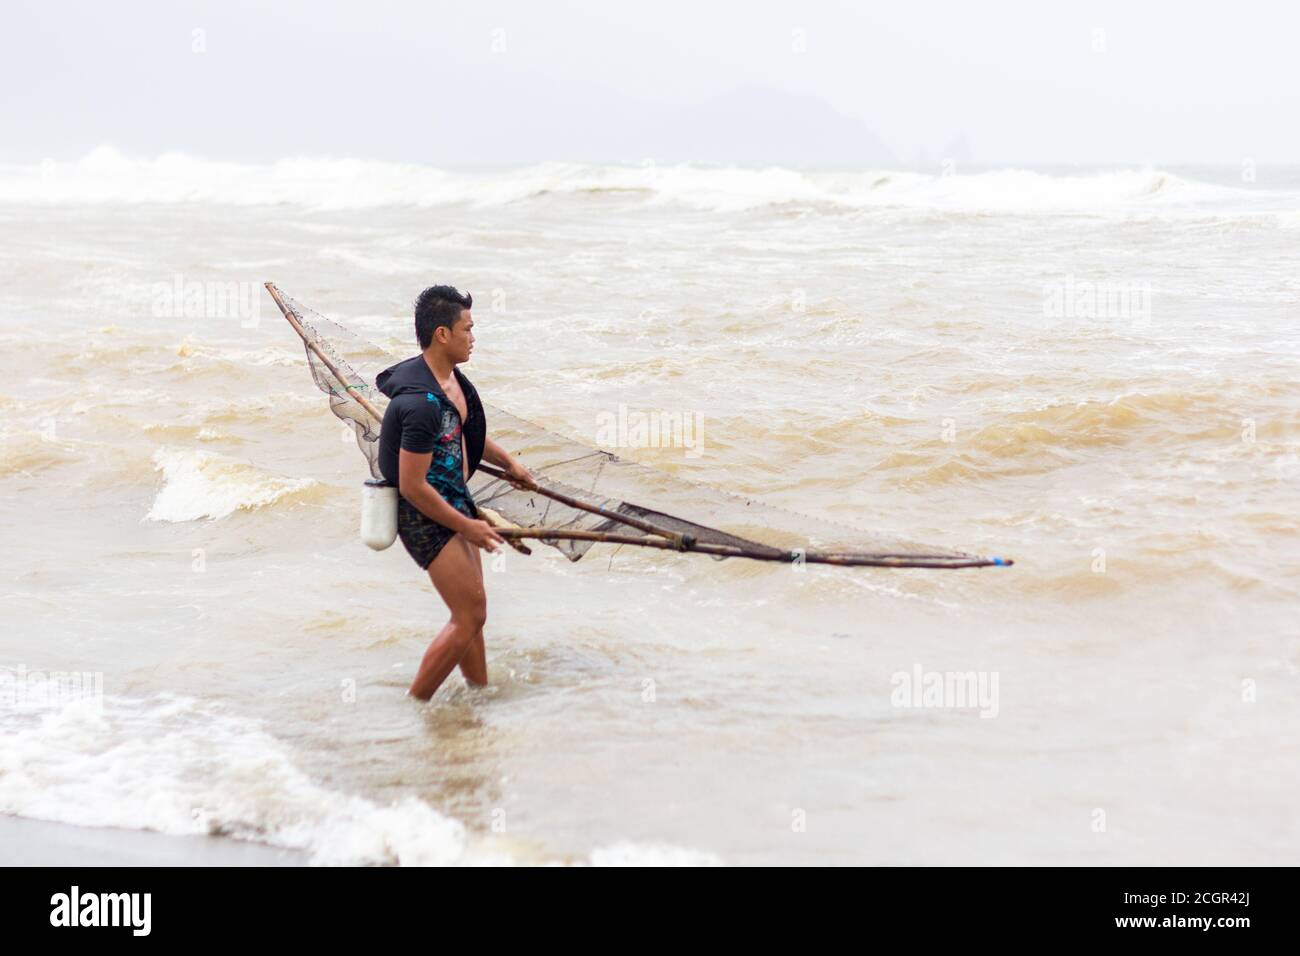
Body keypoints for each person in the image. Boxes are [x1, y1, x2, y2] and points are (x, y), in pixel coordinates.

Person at [375, 285, 533, 700]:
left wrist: (509, 463)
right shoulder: (421, 403)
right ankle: (417, 704)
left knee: (474, 614)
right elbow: (412, 486)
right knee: (469, 614)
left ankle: (477, 698)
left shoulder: (449, 380)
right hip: (423, 513)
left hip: (454, 500)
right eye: (467, 329)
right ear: (442, 334)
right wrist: (467, 526)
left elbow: (462, 432)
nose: (473, 337)